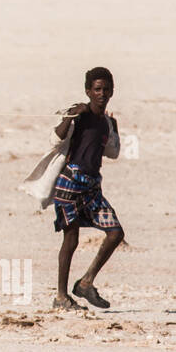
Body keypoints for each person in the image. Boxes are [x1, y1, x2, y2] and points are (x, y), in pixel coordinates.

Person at [52, 66, 123, 310]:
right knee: (71, 239)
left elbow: (113, 153)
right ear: (88, 91)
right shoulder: (80, 115)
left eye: (106, 89)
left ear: (112, 92)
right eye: (97, 89)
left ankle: (85, 283)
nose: (101, 93)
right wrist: (69, 117)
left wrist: (114, 128)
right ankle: (61, 297)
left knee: (116, 233)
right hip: (70, 183)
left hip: (92, 186)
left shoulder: (107, 122)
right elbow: (57, 137)